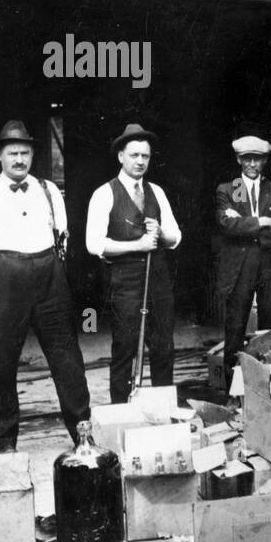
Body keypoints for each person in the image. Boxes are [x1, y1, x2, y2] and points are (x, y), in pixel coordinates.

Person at [0, 120, 89, 452]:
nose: (19, 159)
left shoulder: (49, 191)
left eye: (25, 153)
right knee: (2, 364)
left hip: (48, 276)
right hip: (3, 277)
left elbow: (63, 235)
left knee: (68, 359)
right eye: (12, 152)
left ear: (32, 155)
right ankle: (5, 444)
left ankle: (83, 436)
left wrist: (53, 269)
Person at [85, 124, 182, 403]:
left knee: (163, 347)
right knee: (125, 348)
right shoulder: (104, 193)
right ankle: (121, 412)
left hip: (158, 280)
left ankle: (164, 412)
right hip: (124, 282)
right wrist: (136, 246)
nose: (140, 162)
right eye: (134, 155)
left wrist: (160, 232)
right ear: (120, 157)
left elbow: (176, 237)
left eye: (145, 156)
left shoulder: (157, 192)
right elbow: (94, 244)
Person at [215, 135, 271, 389]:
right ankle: (233, 390)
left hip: (269, 267)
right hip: (239, 268)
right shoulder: (227, 189)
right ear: (239, 159)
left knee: (269, 327)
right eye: (247, 158)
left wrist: (246, 224)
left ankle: (268, 387)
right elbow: (227, 225)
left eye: (258, 159)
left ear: (265, 161)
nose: (252, 164)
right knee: (236, 327)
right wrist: (263, 221)